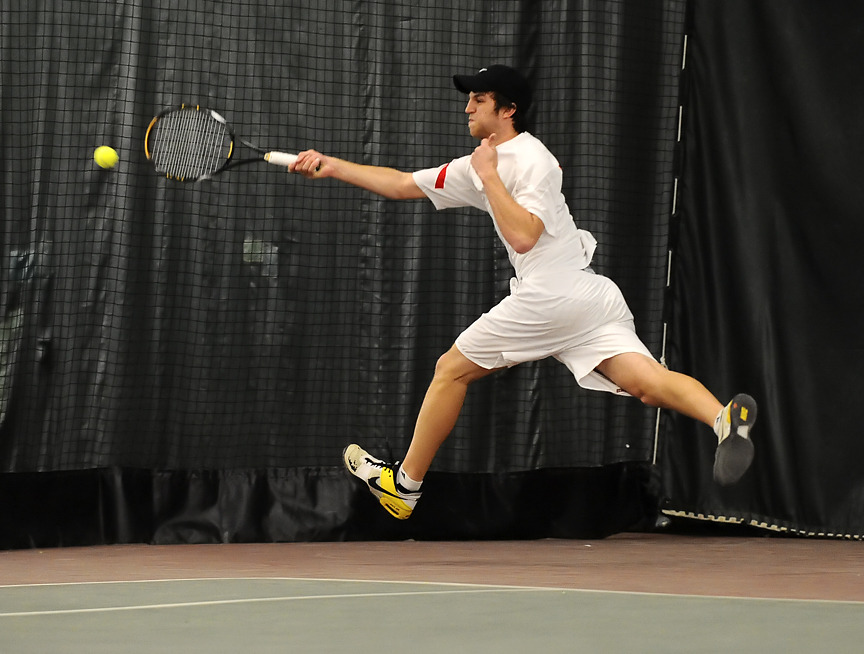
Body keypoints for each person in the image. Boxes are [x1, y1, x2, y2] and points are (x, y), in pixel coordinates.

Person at [291, 65, 757, 520]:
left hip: (551, 295)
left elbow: (524, 237)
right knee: (648, 384)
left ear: (508, 110)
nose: (467, 107)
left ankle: (405, 486)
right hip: (591, 297)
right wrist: (332, 166)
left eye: (479, 99)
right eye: (468, 98)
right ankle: (723, 420)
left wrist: (489, 176)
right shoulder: (476, 164)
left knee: (450, 371)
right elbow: (398, 184)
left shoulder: (532, 160)